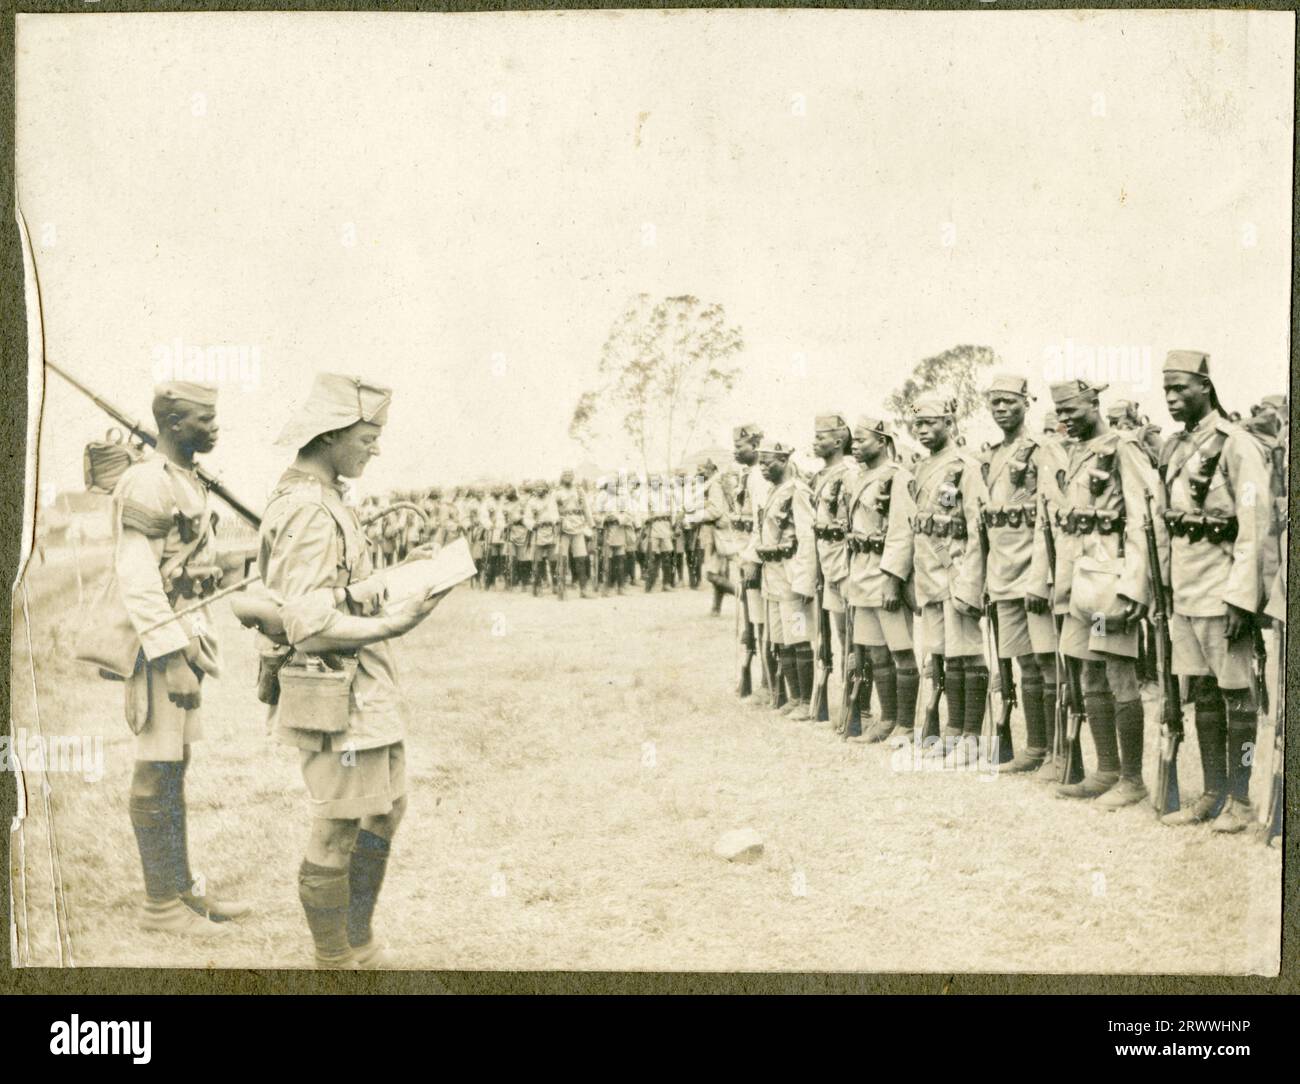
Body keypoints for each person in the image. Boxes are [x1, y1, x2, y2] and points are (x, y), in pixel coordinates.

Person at [256, 373, 448, 968]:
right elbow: (309, 622)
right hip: (336, 692)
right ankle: (335, 961)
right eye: (369, 435)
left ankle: (358, 942)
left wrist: (393, 578)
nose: (376, 447)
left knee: (386, 808)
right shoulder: (311, 510)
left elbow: (335, 590)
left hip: (360, 688)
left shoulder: (327, 498)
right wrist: (392, 623)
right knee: (338, 827)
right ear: (333, 434)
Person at [110, 381, 249, 935]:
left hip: (186, 635)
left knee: (175, 764)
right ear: (171, 421)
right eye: (203, 419)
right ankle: (159, 907)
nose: (214, 428)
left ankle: (181, 891)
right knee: (156, 766)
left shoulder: (184, 478)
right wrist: (169, 659)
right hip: (161, 644)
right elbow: (137, 579)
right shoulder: (146, 481)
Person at [1156, 352, 1272, 831]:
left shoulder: (1236, 445)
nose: (1171, 397)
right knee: (1203, 695)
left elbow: (1254, 524)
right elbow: (1163, 525)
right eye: (1166, 390)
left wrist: (1242, 598)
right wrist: (1161, 587)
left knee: (1237, 696)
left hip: (1224, 589)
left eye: (1181, 388)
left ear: (1206, 386)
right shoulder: (1171, 447)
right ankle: (1212, 792)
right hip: (1184, 589)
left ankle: (1241, 800)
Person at [1034, 379, 1163, 807]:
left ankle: (1132, 778)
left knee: (1118, 672)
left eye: (1073, 409)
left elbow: (1144, 519)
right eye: (1060, 411)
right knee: (1088, 673)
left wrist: (1133, 587)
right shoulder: (1069, 453)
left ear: (1094, 403)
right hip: (1078, 584)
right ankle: (1105, 770)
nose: (1066, 418)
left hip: (1110, 581)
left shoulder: (1122, 447)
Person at [981, 374, 1066, 773]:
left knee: (1047, 662)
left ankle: (1057, 752)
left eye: (1009, 401)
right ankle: (1033, 747)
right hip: (1002, 572)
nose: (1001, 408)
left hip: (1033, 572)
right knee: (1022, 663)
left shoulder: (1043, 450)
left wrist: (1042, 578)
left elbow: (1050, 519)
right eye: (995, 402)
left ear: (1025, 404)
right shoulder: (992, 455)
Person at [909, 395, 989, 768]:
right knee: (942, 656)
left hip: (956, 572)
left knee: (967, 655)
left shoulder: (966, 467)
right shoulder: (921, 467)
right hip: (929, 573)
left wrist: (971, 583)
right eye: (918, 424)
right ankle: (953, 732)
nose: (923, 430)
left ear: (949, 423)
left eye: (931, 423)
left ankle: (971, 737)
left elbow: (977, 529)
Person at [840, 415, 918, 744]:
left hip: (884, 571)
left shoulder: (897, 477)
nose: (854, 446)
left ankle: (906, 724)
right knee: (875, 653)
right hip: (861, 570)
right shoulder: (860, 478)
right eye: (853, 441)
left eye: (861, 440)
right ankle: (886, 719)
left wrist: (893, 578)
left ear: (882, 442)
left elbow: (902, 530)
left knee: (900, 651)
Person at [755, 440, 817, 720]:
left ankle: (806, 700)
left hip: (792, 574)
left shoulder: (798, 492)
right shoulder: (773, 492)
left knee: (799, 638)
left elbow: (807, 536)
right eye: (761, 462)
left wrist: (805, 580)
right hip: (773, 574)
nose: (763, 467)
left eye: (769, 462)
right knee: (781, 639)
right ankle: (794, 696)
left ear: (784, 459)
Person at [809, 412, 858, 725]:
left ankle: (858, 706)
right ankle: (844, 700)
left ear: (839, 440)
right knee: (837, 638)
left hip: (845, 560)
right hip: (827, 561)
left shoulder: (848, 473)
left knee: (853, 638)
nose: (815, 442)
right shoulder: (820, 476)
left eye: (821, 437)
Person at [734, 424, 773, 703]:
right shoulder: (749, 475)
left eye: (740, 446)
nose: (736, 451)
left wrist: (754, 559)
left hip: (758, 557)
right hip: (748, 553)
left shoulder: (761, 475)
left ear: (755, 444)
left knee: (763, 623)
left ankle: (768, 684)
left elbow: (763, 522)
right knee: (752, 623)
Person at [555, 468, 595, 599]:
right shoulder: (556, 491)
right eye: (565, 474)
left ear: (573, 476)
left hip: (578, 525)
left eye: (570, 474)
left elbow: (586, 508)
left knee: (581, 557)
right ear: (562, 476)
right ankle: (562, 590)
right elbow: (553, 509)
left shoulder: (579, 490)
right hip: (564, 525)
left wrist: (591, 524)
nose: (567, 476)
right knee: (563, 558)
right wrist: (557, 520)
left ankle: (583, 590)